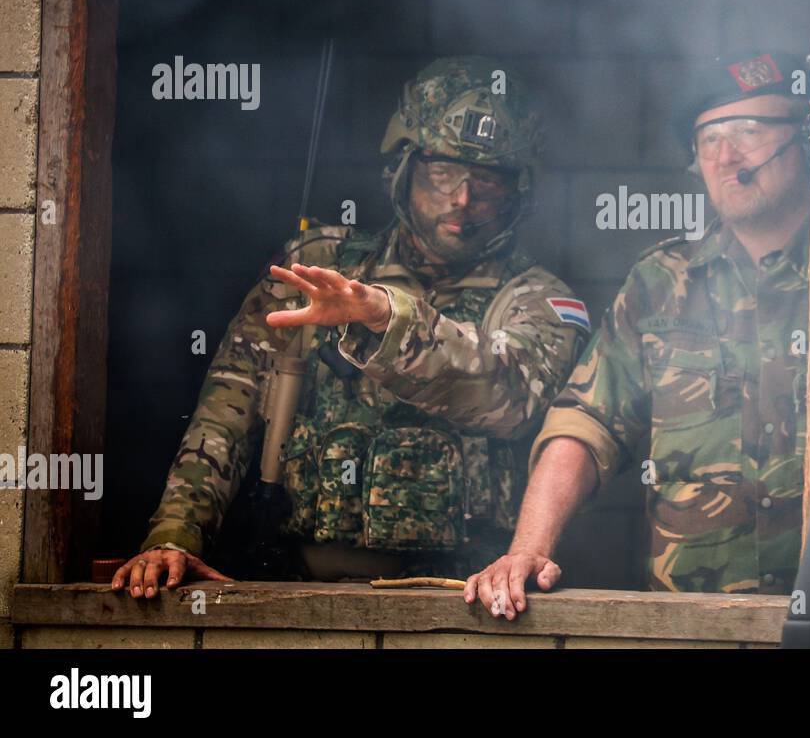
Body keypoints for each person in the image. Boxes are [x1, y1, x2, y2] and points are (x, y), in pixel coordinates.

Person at [113, 56, 588, 598]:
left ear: (519, 192)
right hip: (299, 586)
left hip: (468, 598)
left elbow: (511, 397)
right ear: (405, 169)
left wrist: (385, 319)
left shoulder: (540, 300)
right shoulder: (318, 267)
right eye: (443, 173)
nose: (462, 200)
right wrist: (176, 536)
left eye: (488, 182)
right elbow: (229, 409)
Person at [466, 50, 810, 619]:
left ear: (806, 139)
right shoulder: (660, 283)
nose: (727, 157)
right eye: (709, 140)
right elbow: (587, 421)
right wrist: (527, 549)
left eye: (749, 131)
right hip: (692, 623)